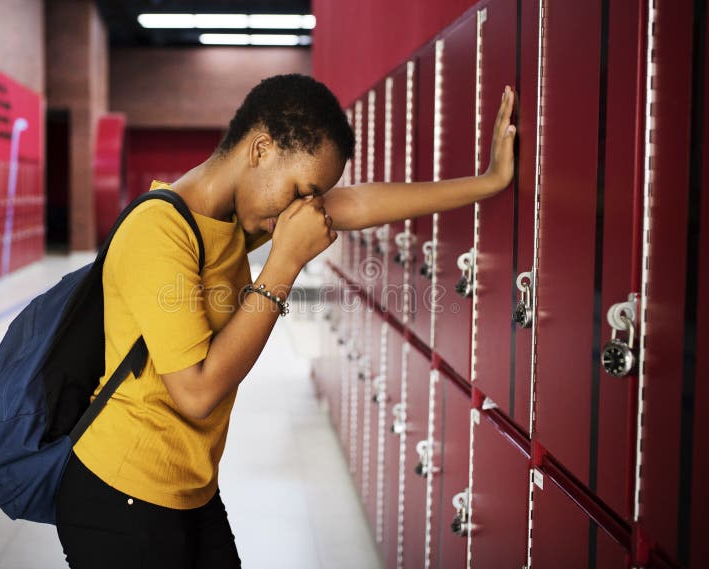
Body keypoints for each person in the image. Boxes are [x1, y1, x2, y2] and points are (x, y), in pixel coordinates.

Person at [54, 73, 516, 568]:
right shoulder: (160, 231)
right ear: (260, 149)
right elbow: (195, 393)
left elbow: (358, 203)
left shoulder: (229, 220)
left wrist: (487, 182)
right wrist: (282, 266)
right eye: (300, 189)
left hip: (190, 489)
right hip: (121, 494)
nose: (300, 211)